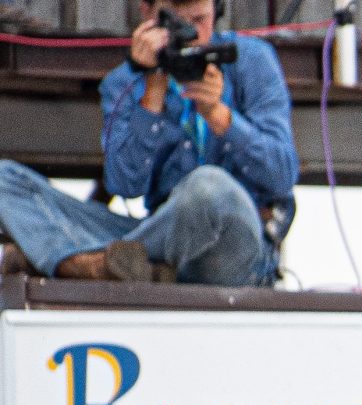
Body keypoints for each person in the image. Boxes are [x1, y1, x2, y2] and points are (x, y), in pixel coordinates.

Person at [0, 0, 296, 286]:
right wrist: (151, 94)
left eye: (199, 21)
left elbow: (281, 176)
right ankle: (102, 264)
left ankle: (79, 261)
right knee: (5, 180)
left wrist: (221, 117)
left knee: (208, 189)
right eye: (174, 23)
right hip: (157, 242)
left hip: (234, 249)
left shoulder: (251, 59)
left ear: (217, 11)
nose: (189, 36)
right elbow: (125, 185)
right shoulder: (124, 82)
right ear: (147, 14)